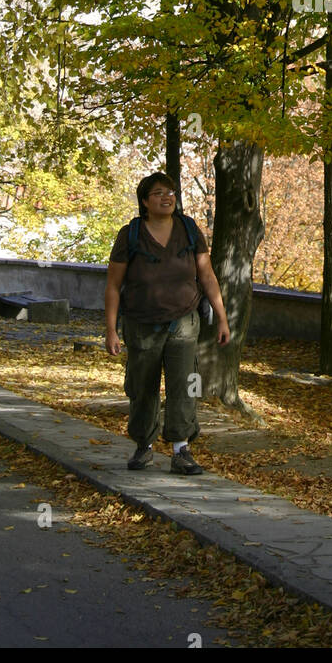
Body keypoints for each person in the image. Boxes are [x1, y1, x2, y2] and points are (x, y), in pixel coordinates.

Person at [104, 171, 230, 475]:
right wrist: (110, 329)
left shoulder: (188, 230)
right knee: (142, 386)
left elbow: (207, 275)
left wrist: (222, 318)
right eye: (159, 193)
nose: (166, 197)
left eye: (171, 192)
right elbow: (112, 284)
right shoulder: (130, 234)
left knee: (184, 385)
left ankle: (180, 450)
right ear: (145, 201)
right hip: (141, 323)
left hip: (184, 321)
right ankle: (143, 447)